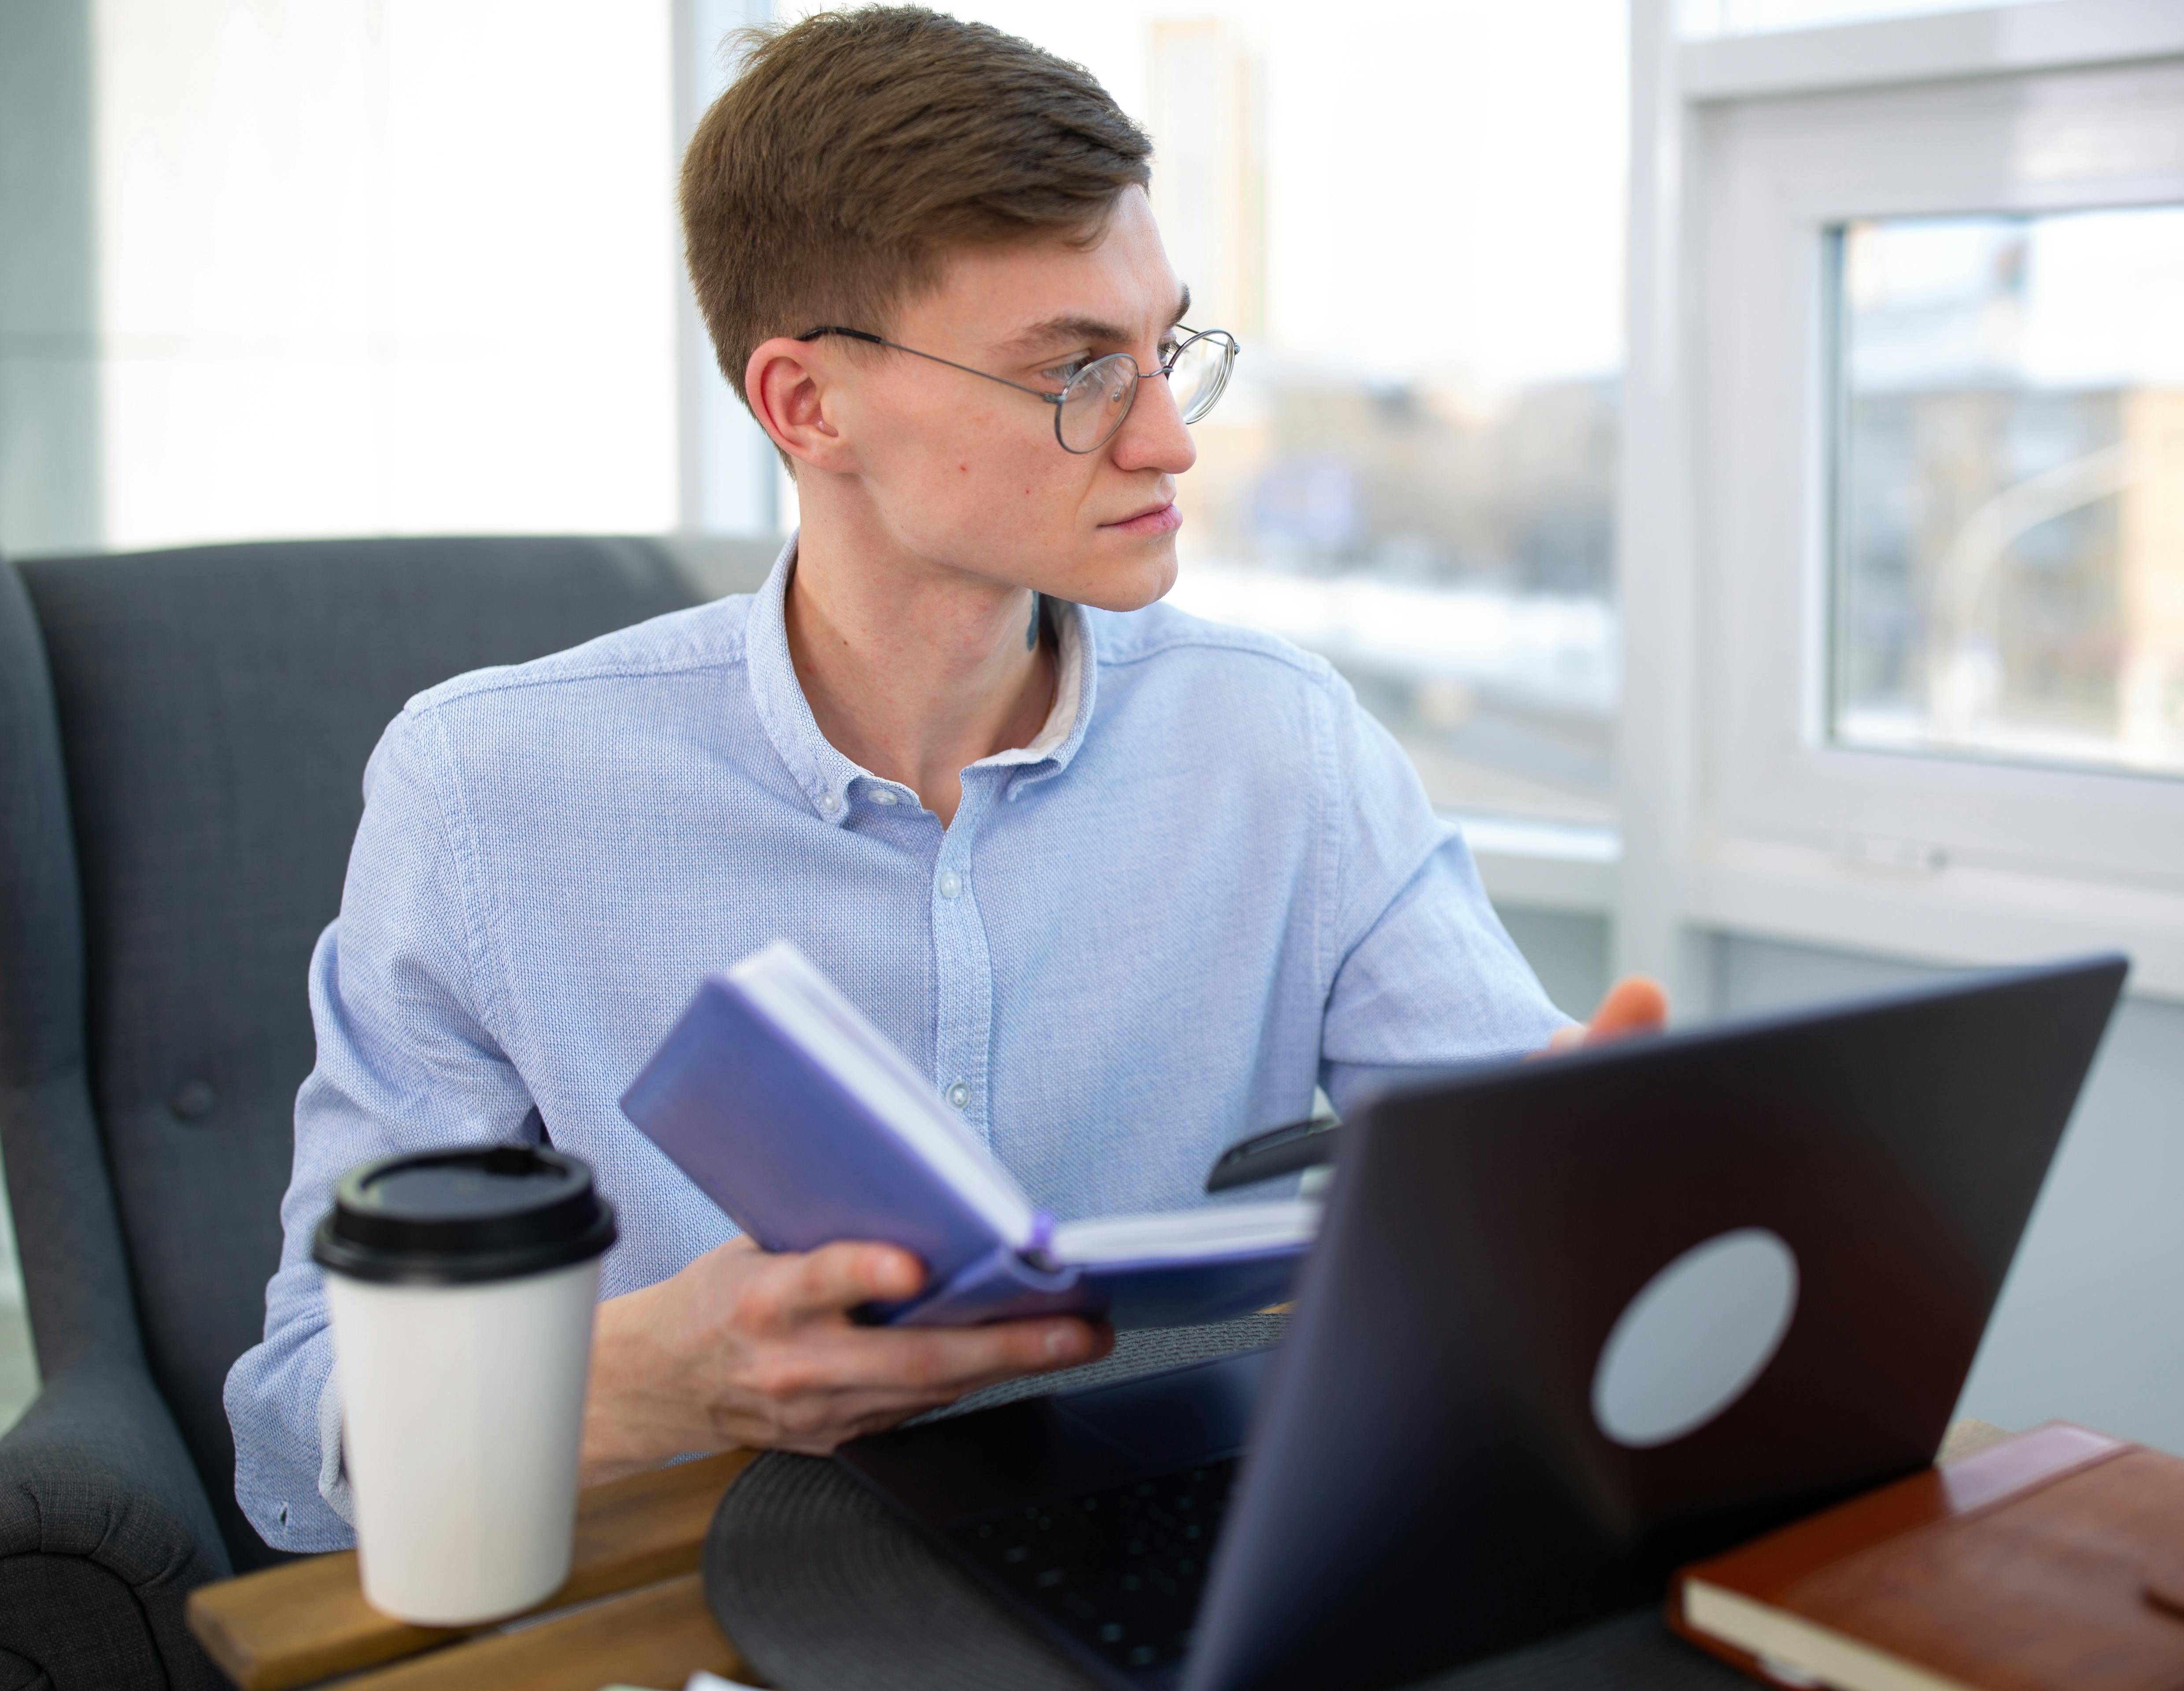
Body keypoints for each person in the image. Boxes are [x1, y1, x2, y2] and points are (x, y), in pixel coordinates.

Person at [224, 5, 1665, 1552]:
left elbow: (1510, 1210)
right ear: (807, 406)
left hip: (1185, 1559)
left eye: (1163, 346)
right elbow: (304, 1429)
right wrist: (644, 1385)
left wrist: (1581, 1163)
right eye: (1076, 371)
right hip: (719, 1586)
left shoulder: (1284, 746)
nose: (1170, 440)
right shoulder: (489, 794)